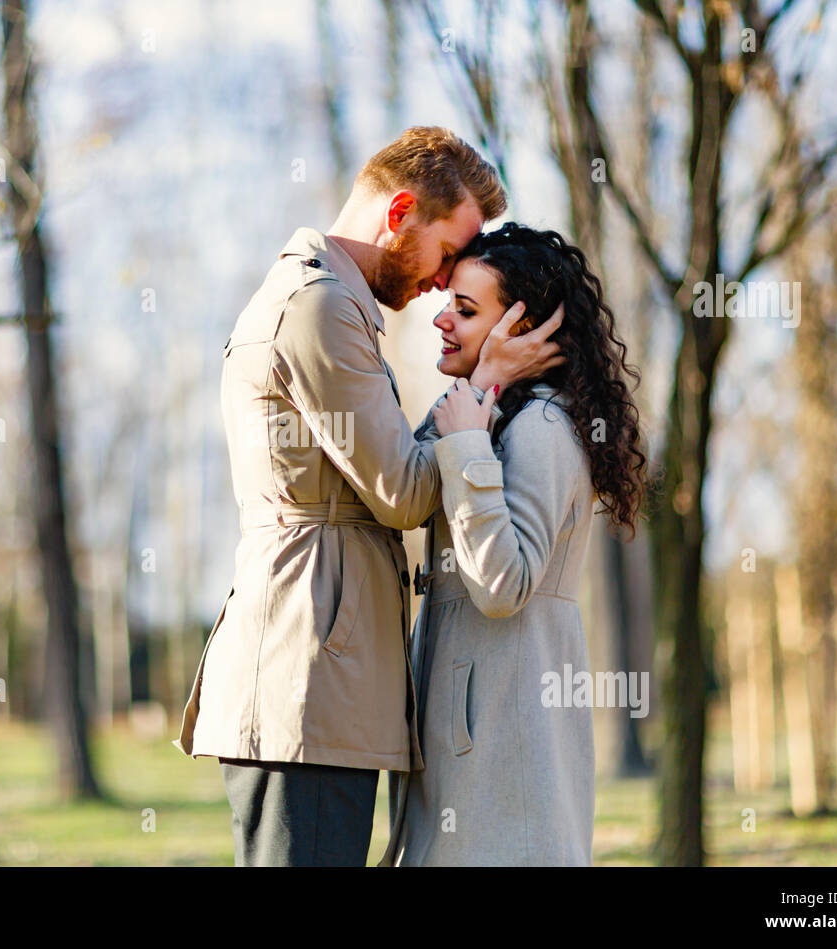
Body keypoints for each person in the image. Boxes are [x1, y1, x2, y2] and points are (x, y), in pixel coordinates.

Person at [174, 128, 564, 866]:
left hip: (324, 689)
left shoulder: (333, 302)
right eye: (447, 254)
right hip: (305, 689)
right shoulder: (318, 306)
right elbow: (406, 492)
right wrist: (484, 386)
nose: (443, 283)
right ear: (401, 212)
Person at [381, 222, 648, 866]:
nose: (442, 320)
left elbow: (504, 586)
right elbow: (407, 478)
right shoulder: (492, 411)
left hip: (505, 742)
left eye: (467, 311)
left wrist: (471, 436)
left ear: (521, 329)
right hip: (470, 740)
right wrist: (479, 394)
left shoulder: (542, 429)